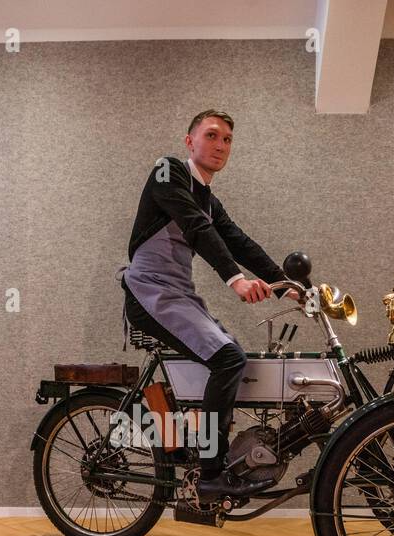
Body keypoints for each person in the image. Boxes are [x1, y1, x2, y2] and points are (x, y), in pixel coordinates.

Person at [121, 109, 291, 502]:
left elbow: (239, 241)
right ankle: (211, 473)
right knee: (228, 358)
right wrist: (236, 280)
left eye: (228, 139)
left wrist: (291, 286)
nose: (221, 145)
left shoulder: (209, 200)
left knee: (231, 356)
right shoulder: (167, 171)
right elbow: (197, 229)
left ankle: (196, 448)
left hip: (177, 294)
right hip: (150, 293)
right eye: (212, 135)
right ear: (189, 141)